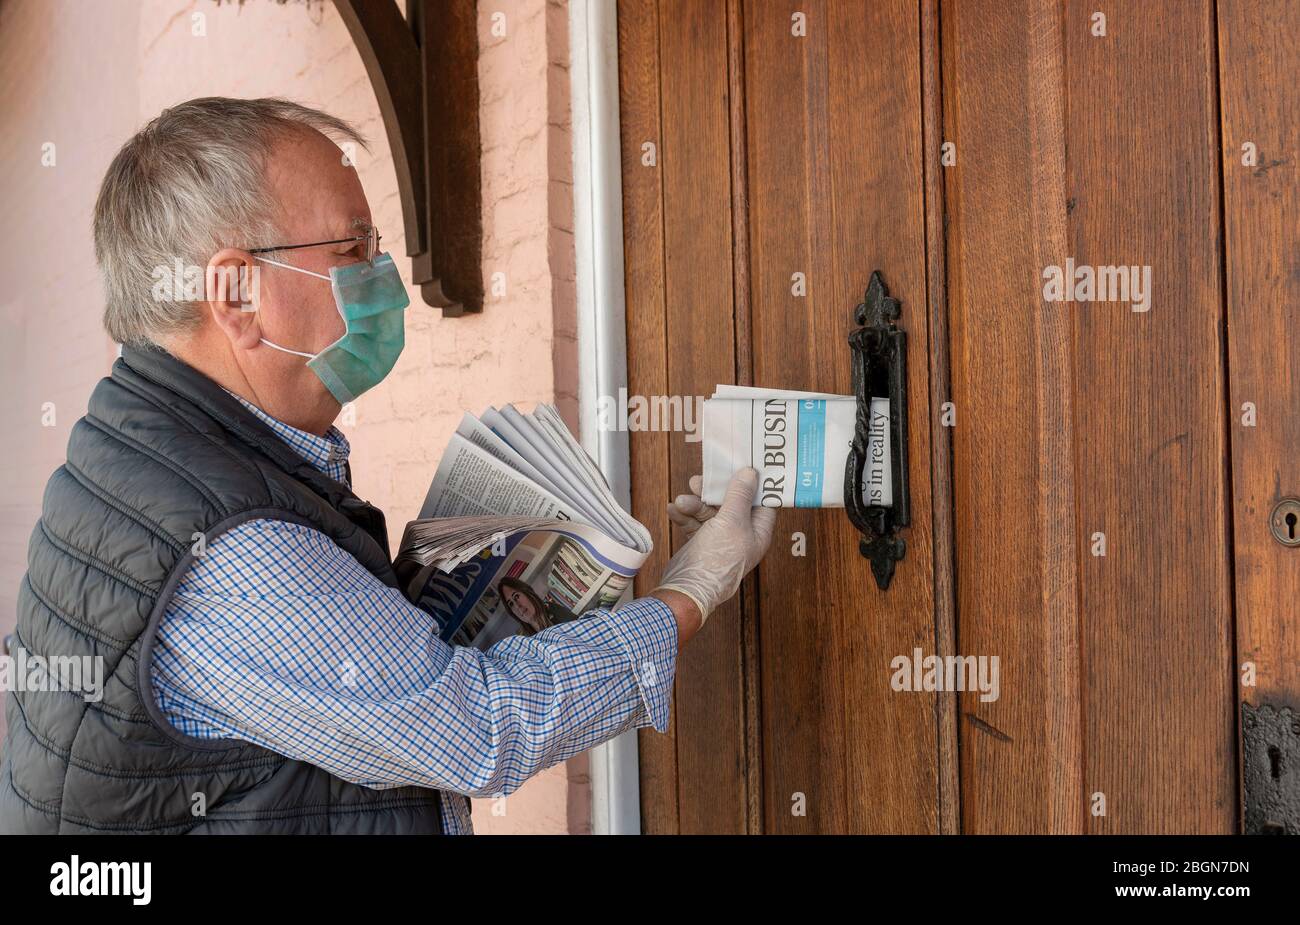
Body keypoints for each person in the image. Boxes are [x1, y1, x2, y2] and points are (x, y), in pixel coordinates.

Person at [0, 97, 776, 834]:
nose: (384, 278)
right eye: (353, 248)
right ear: (236, 293)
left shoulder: (145, 448)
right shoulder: (228, 549)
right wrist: (692, 591)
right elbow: (480, 729)